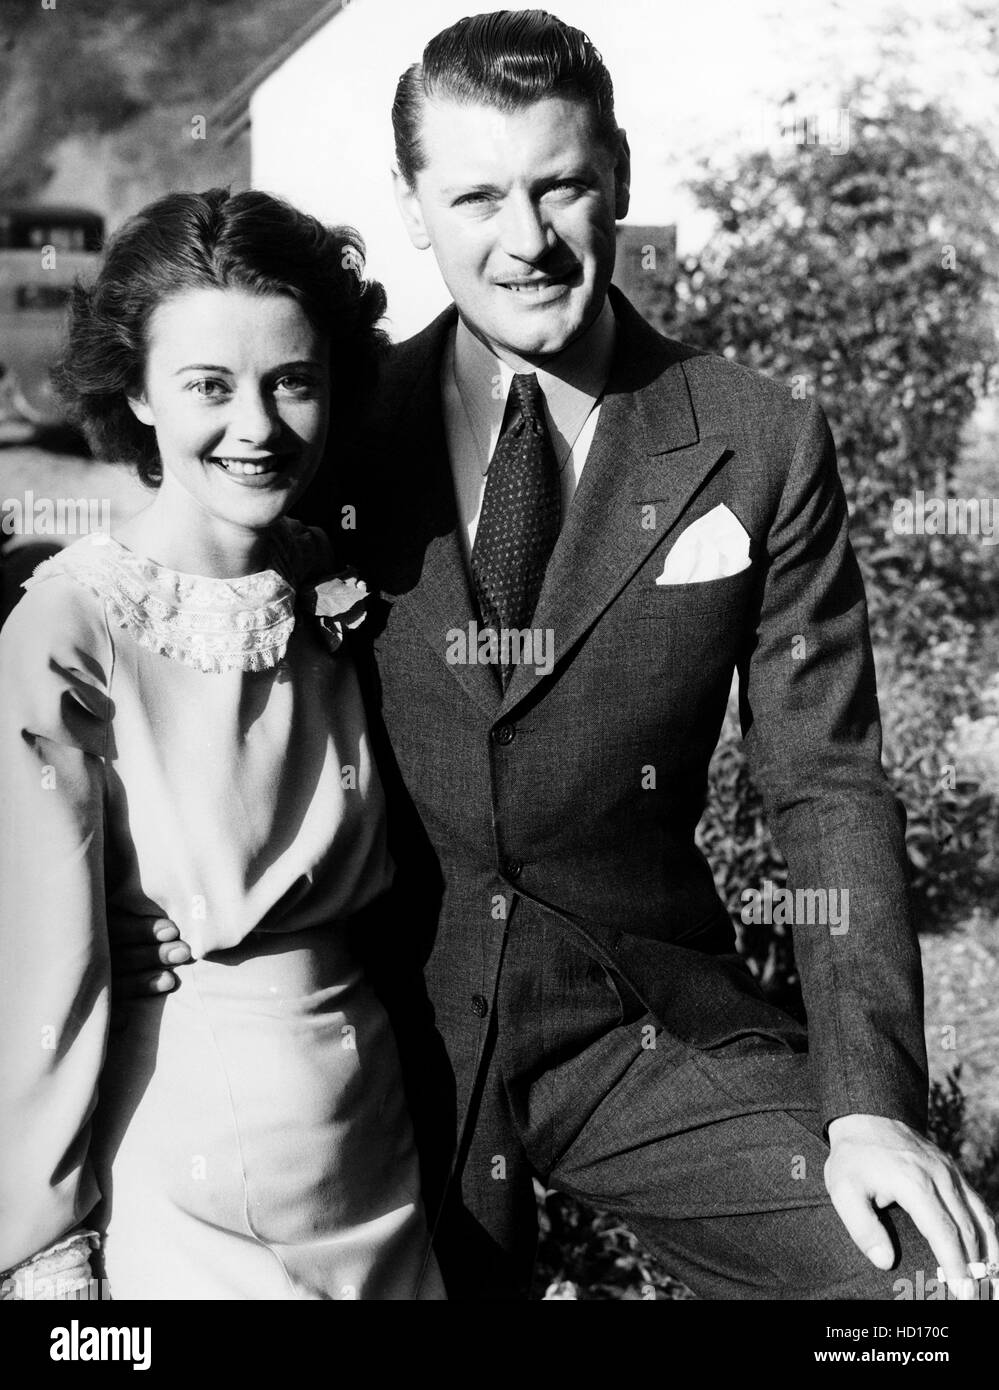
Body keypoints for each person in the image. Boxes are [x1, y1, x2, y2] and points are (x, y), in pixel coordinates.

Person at [116, 13, 998, 1300]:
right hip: (377, 1027)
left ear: (619, 176)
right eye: (475, 194)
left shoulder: (756, 439)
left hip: (642, 1023)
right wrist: (131, 907)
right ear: (416, 206)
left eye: (560, 185)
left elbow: (828, 785)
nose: (523, 241)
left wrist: (869, 1104)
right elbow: (158, 647)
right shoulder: (332, 431)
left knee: (916, 1292)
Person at [0, 188, 444, 1300]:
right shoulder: (72, 623)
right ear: (137, 393)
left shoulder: (318, 570)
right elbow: (38, 975)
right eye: (208, 386)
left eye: (291, 380)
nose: (257, 425)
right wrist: (44, 1241)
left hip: (368, 1136)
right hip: (186, 1150)